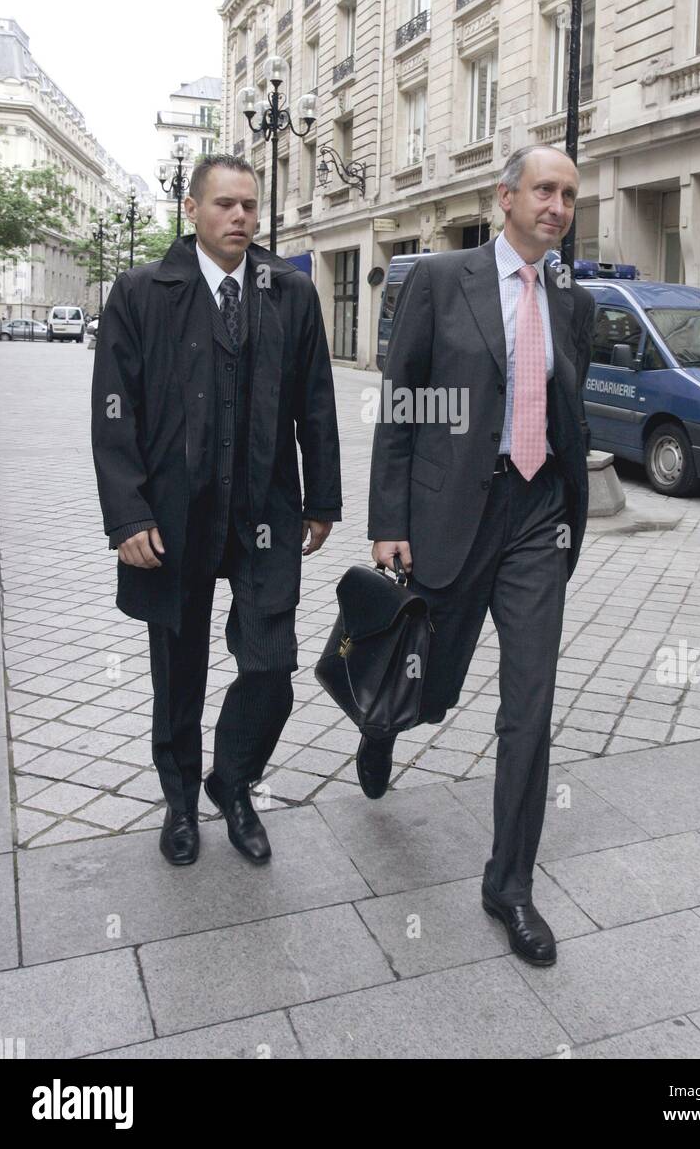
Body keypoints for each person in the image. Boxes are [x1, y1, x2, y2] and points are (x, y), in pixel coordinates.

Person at [365, 145, 594, 966]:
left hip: (536, 515)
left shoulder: (574, 299)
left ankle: (510, 885)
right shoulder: (439, 280)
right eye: (544, 189)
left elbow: (569, 409)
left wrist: (573, 506)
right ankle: (384, 719)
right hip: (452, 511)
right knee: (433, 681)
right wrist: (389, 515)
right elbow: (403, 401)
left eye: (569, 193)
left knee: (529, 705)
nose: (558, 205)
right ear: (505, 198)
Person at [91, 155, 341, 867]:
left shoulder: (290, 293)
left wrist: (321, 497)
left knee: (271, 664)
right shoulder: (142, 293)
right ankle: (179, 800)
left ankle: (232, 782)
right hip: (175, 514)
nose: (240, 217)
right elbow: (115, 413)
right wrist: (128, 516)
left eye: (250, 207)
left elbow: (317, 404)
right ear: (193, 210)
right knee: (179, 667)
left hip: (266, 510)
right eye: (225, 204)